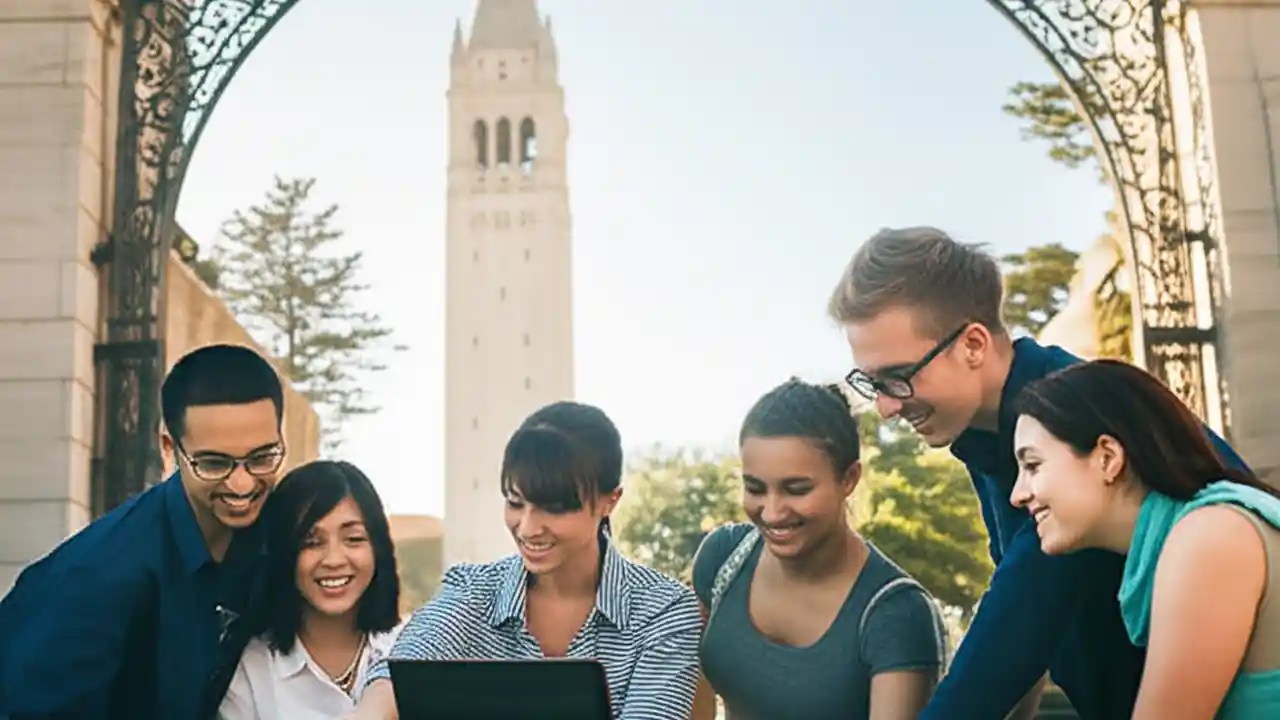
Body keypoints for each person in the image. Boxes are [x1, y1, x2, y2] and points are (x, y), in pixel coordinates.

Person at [825, 227, 1250, 719]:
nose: (885, 407)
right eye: (872, 383)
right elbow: (1022, 622)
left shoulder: (1071, 422)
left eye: (897, 378)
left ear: (973, 345)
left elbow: (1017, 625)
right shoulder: (985, 436)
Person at [347, 401, 704, 720]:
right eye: (515, 503)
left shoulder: (664, 611)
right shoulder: (472, 591)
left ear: (610, 500)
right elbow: (396, 677)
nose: (529, 528)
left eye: (554, 507)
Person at [0, 343, 287, 719]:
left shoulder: (281, 535)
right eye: (214, 463)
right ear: (169, 448)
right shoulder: (97, 577)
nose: (242, 484)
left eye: (262, 457)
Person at [1010, 360, 1280, 719]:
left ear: (1107, 458)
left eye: (1032, 465)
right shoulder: (1201, 531)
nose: (1017, 495)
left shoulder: (1210, 537)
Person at [692, 378, 946, 719]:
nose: (772, 512)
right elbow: (690, 691)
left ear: (849, 479)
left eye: (796, 490)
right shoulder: (724, 557)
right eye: (755, 488)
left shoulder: (896, 614)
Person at [218, 460, 404, 719]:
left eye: (354, 539)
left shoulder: (412, 649)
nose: (334, 560)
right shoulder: (250, 671)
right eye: (311, 542)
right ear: (282, 552)